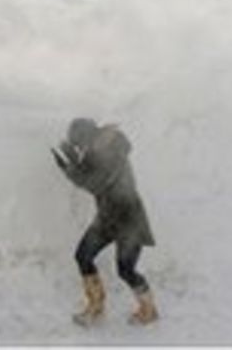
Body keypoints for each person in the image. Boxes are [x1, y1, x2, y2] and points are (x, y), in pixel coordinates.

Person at [51, 117, 158, 326]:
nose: (80, 148)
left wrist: (71, 170)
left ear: (88, 136)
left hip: (129, 219)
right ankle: (96, 308)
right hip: (107, 218)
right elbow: (89, 174)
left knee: (125, 270)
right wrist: (74, 164)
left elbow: (96, 182)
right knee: (83, 256)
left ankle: (148, 309)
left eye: (79, 144)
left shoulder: (114, 149)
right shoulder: (94, 150)